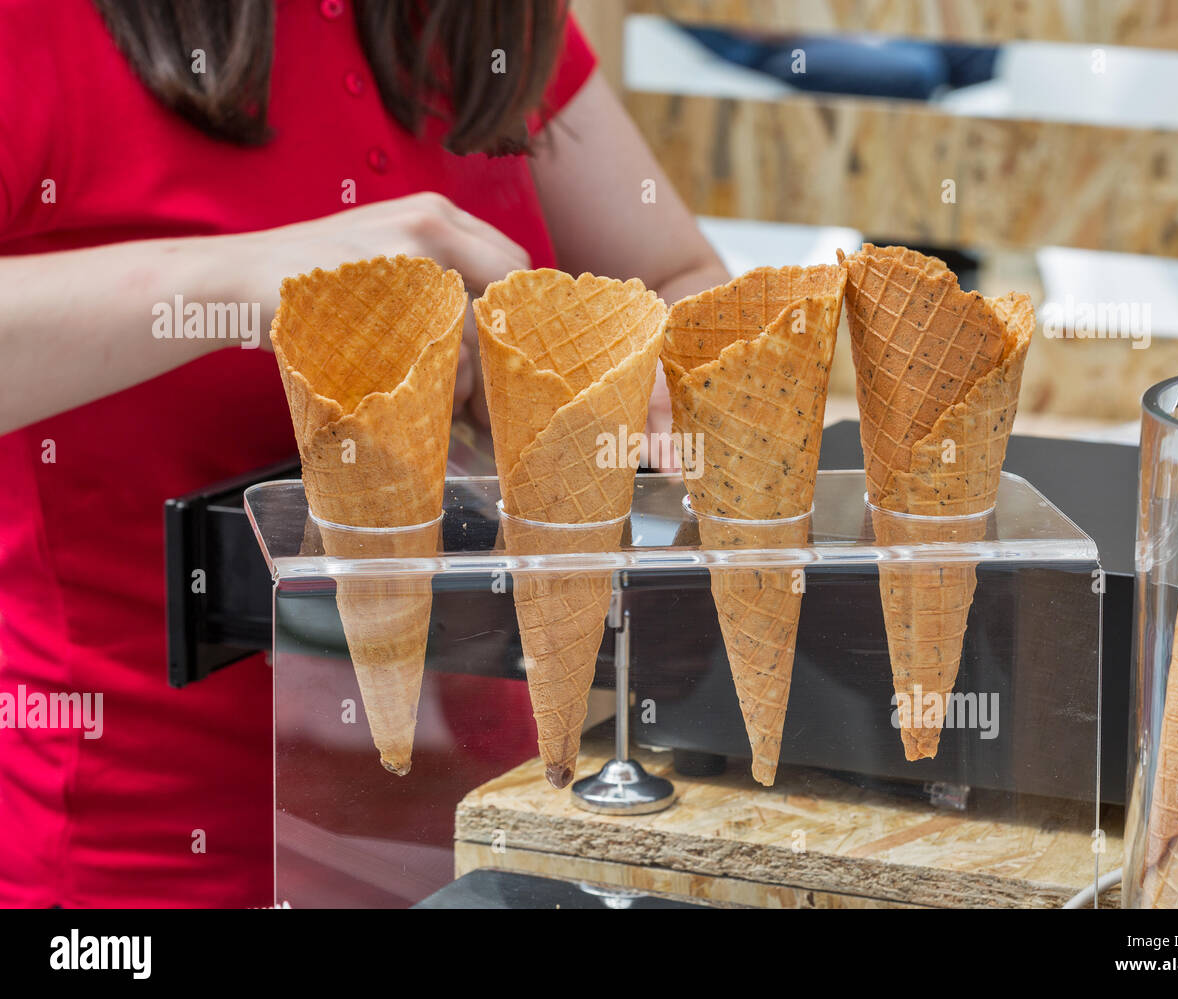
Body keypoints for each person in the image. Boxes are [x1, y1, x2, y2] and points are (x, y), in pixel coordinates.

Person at [0, 0, 727, 907]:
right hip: (150, 864)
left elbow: (677, 277)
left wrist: (624, 387)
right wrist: (242, 279)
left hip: (502, 832)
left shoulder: (487, 20)